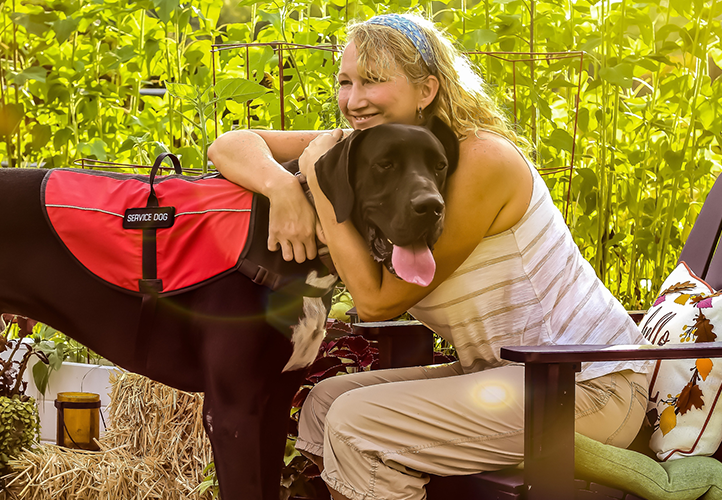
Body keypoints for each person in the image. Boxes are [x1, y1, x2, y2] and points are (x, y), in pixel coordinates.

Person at [206, 12, 653, 500]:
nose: (353, 101)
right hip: (508, 377)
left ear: (427, 91)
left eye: (373, 81)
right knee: (324, 402)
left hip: (590, 390)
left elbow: (377, 304)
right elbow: (229, 144)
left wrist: (317, 181)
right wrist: (281, 187)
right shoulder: (372, 152)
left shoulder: (482, 161)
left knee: (358, 423)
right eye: (345, 82)